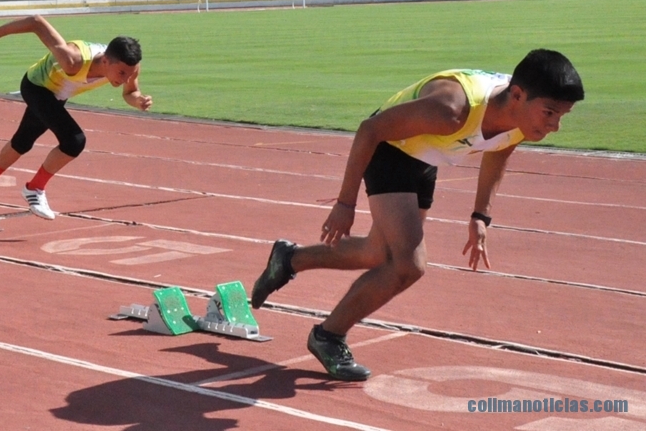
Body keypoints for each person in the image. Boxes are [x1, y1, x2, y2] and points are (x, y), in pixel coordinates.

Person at [250, 49, 585, 382]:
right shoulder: (451, 109)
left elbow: (499, 151)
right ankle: (328, 336)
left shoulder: (522, 118)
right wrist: (345, 204)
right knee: (409, 264)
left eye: (562, 116)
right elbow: (370, 130)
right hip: (390, 148)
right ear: (517, 95)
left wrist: (481, 215)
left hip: (427, 155)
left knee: (375, 253)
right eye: (550, 113)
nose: (554, 126)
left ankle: (289, 259)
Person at [0, 15, 151, 220]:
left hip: (58, 95)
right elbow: (36, 22)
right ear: (106, 60)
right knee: (74, 140)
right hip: (36, 86)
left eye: (129, 74)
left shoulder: (128, 68)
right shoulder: (73, 60)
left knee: (22, 142)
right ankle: (35, 188)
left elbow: (129, 92)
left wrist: (139, 101)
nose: (125, 79)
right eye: (122, 73)